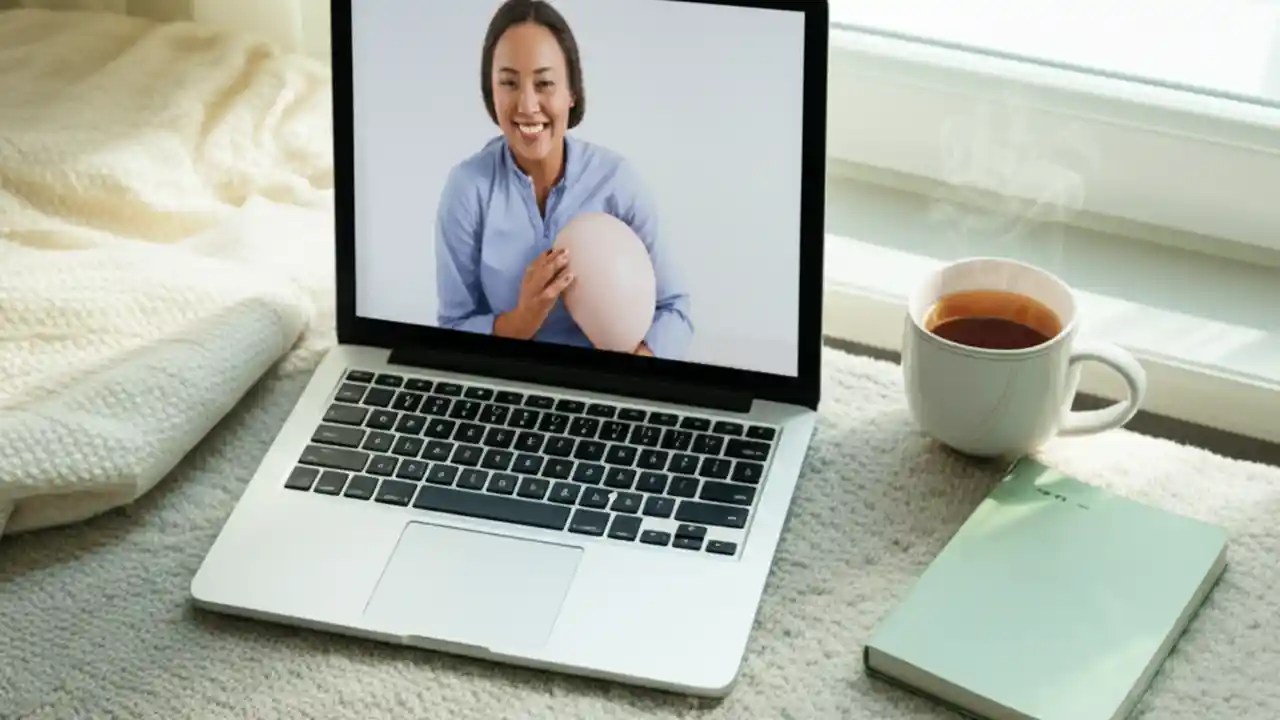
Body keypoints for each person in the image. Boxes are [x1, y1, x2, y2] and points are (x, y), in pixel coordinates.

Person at [435, 0, 693, 359]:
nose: (526, 105)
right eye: (508, 83)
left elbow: (676, 310)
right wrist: (521, 321)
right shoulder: (468, 190)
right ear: (490, 91)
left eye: (544, 83)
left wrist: (634, 371)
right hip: (505, 380)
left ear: (572, 92)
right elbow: (452, 327)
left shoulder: (617, 183)